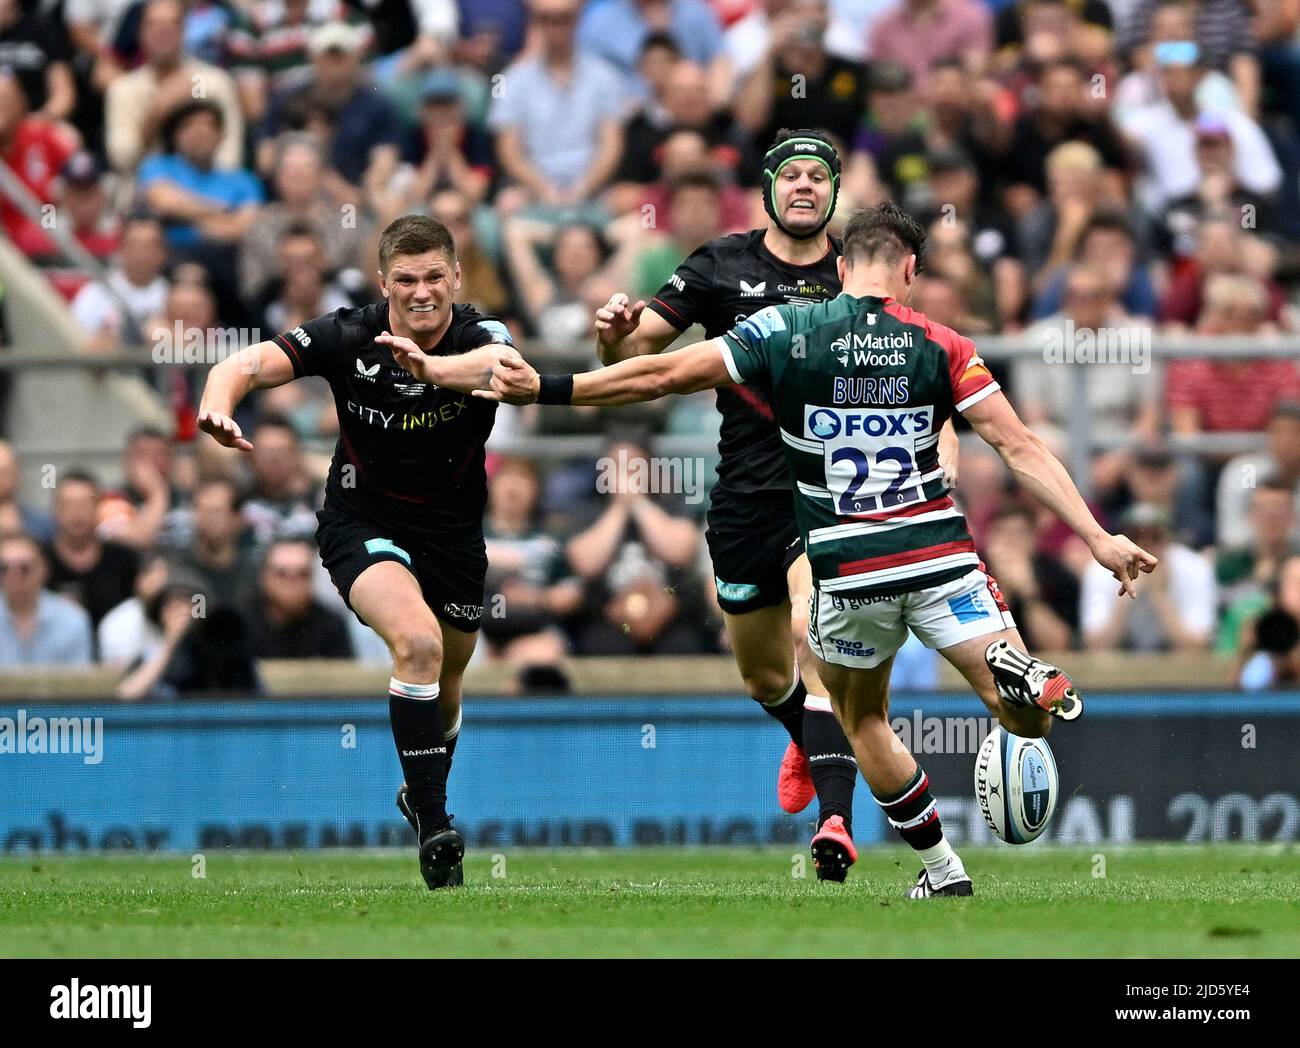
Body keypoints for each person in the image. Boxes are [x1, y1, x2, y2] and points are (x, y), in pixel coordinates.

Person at [476, 201, 1157, 898]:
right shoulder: (945, 344)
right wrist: (1099, 537)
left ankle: (945, 872)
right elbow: (1020, 447)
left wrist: (549, 388)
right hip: (940, 559)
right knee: (1025, 719)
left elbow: (661, 376)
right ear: (910, 270)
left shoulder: (785, 327)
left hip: (850, 568)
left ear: (839, 268)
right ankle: (1016, 671)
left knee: (856, 717)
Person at [581, 129, 954, 880]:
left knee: (811, 639)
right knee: (762, 673)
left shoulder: (856, 271)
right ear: (768, 188)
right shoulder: (721, 264)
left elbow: (921, 367)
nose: (806, 186)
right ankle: (810, 734)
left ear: (836, 191)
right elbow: (634, 358)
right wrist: (614, 337)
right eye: (794, 175)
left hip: (829, 495)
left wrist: (934, 467)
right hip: (743, 494)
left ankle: (837, 825)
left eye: (821, 175)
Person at [196, 214, 522, 890]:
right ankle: (436, 827)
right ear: (384, 283)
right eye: (407, 280)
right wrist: (218, 403)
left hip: (454, 533)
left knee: (449, 679)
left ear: (456, 278)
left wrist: (434, 369)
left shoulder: (482, 335)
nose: (423, 291)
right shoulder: (348, 334)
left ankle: (419, 790)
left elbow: (500, 368)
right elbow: (248, 363)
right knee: (418, 644)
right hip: (360, 520)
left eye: (435, 276)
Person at [0, 532, 93, 667]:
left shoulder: (71, 619)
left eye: (24, 568)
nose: (14, 576)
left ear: (43, 570)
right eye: (3, 568)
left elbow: (80, 683)